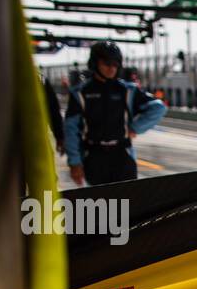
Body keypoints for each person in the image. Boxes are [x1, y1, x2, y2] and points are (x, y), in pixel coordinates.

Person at [64, 41, 166, 186]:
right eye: (106, 63)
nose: (111, 68)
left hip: (122, 154)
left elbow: (158, 107)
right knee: (103, 206)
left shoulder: (128, 90)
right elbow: (71, 129)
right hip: (93, 156)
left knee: (129, 204)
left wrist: (135, 128)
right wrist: (75, 163)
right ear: (94, 63)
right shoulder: (80, 93)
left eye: (115, 64)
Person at [42, 74, 64, 155]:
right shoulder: (40, 79)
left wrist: (60, 136)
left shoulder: (40, 80)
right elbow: (53, 110)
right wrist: (60, 137)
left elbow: (53, 110)